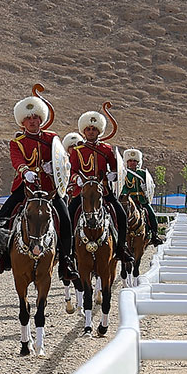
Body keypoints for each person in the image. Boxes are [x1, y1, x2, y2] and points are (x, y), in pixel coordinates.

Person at [0, 96, 75, 280]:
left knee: (66, 220)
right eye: (29, 118)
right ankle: (4, 256)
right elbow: (17, 160)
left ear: (41, 119)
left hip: (49, 189)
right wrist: (25, 171)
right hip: (25, 187)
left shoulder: (52, 138)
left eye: (36, 117)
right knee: (2, 218)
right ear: (23, 121)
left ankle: (67, 260)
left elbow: (62, 160)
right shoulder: (17, 142)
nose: (33, 121)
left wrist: (53, 166)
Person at [68, 110, 135, 267]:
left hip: (103, 192)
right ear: (83, 131)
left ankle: (121, 249)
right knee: (69, 216)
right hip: (84, 192)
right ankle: (69, 253)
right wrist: (76, 178)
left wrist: (114, 175)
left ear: (99, 131)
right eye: (88, 129)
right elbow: (72, 170)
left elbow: (116, 168)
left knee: (121, 215)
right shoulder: (77, 151)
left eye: (94, 129)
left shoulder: (106, 149)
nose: (91, 132)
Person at [122, 149, 163, 245]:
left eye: (134, 161)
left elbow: (151, 186)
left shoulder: (143, 174)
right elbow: (122, 186)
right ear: (126, 162)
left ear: (138, 162)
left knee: (151, 215)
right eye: (130, 161)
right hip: (129, 200)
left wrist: (146, 189)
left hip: (141, 200)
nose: (132, 163)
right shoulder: (123, 174)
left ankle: (154, 235)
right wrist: (125, 195)